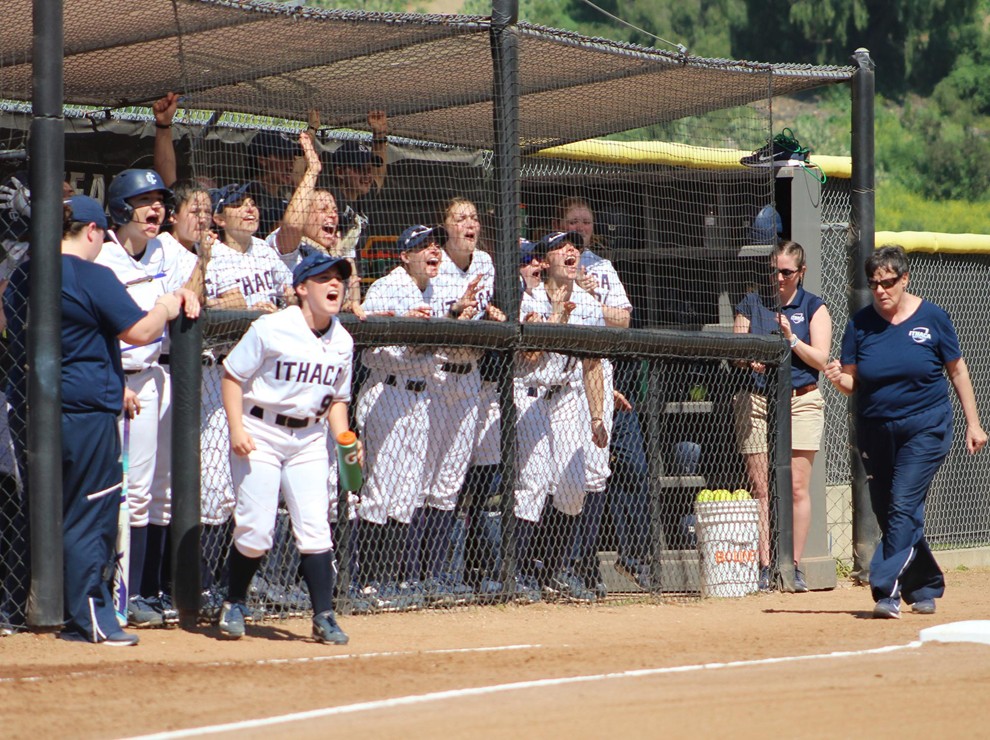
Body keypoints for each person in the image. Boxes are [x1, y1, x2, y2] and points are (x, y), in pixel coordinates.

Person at [3, 195, 197, 645]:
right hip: (85, 413)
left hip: (32, 407)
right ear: (91, 231)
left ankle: (20, 607)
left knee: (42, 510)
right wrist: (167, 306)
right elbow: (140, 331)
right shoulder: (91, 273)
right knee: (91, 513)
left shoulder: (25, 272)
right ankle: (88, 616)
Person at [824, 245, 987, 618]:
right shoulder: (860, 323)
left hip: (926, 427)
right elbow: (852, 382)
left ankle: (886, 591)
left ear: (905, 278)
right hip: (875, 429)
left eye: (888, 282)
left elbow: (958, 371)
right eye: (874, 284)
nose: (881, 291)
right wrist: (838, 379)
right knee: (890, 511)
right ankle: (925, 585)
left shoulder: (932, 317)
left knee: (902, 504)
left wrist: (973, 423)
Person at [217, 251, 356, 644]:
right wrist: (235, 428)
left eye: (339, 279)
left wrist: (345, 439)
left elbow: (338, 400)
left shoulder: (343, 339)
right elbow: (231, 376)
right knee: (256, 532)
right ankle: (233, 601)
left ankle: (323, 615)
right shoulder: (271, 328)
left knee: (316, 529)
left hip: (310, 438)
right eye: (324, 278)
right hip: (260, 431)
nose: (334, 285)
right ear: (300, 288)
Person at [98, 169, 202, 628]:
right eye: (144, 201)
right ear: (121, 209)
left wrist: (187, 292)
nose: (155, 208)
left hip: (159, 376)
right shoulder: (103, 257)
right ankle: (127, 592)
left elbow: (198, 272)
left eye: (159, 200)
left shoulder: (163, 248)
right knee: (134, 493)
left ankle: (152, 590)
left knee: (161, 491)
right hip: (124, 379)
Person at [733, 240, 832, 593]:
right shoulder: (752, 303)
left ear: (800, 273)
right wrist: (751, 357)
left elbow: (822, 360)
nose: (778, 278)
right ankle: (764, 567)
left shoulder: (814, 306)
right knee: (762, 488)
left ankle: (792, 566)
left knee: (796, 487)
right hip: (757, 399)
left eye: (786, 272)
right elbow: (736, 350)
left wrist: (790, 340)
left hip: (801, 399)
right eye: (773, 270)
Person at [355, 224, 443, 611]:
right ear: (404, 256)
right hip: (387, 392)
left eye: (435, 244)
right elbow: (368, 353)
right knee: (380, 491)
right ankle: (369, 581)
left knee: (406, 493)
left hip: (421, 400)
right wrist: (410, 349)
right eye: (423, 245)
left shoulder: (437, 291)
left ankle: (394, 579)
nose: (433, 250)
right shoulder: (386, 287)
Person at [555, 197, 633, 598]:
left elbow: (623, 319)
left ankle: (582, 565)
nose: (580, 228)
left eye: (585, 222)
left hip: (596, 368)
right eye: (572, 222)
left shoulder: (602, 268)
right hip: (557, 373)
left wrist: (592, 301)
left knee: (596, 471)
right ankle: (555, 565)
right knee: (560, 476)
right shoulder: (551, 262)